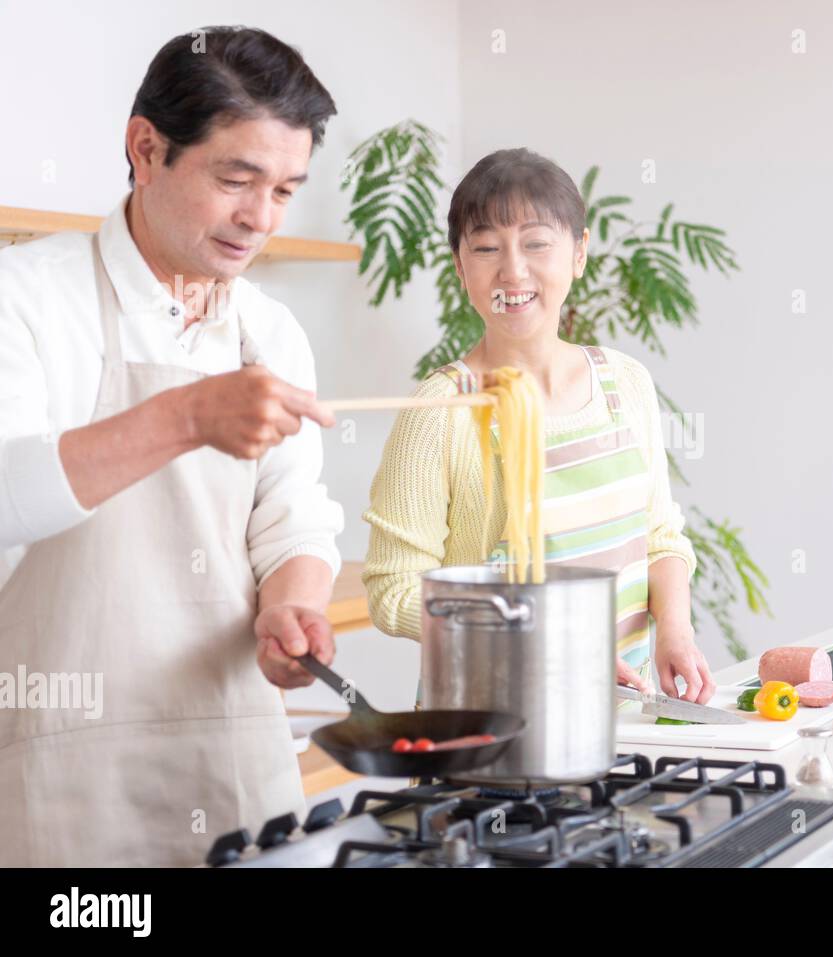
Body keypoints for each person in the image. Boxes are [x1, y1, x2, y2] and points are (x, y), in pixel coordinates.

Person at [0, 26, 344, 866]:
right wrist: (187, 415)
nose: (258, 218)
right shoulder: (28, 297)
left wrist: (294, 601)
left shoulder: (270, 330)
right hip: (59, 764)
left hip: (231, 758)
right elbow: (7, 495)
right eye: (236, 178)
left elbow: (295, 517)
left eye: (285, 190)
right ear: (145, 148)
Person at [363, 148, 715, 703]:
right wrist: (538, 642)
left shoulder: (625, 382)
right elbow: (393, 591)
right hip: (489, 727)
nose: (513, 271)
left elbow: (660, 537)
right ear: (460, 267)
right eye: (485, 248)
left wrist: (675, 630)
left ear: (578, 253)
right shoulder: (442, 411)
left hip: (626, 717)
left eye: (536, 243)